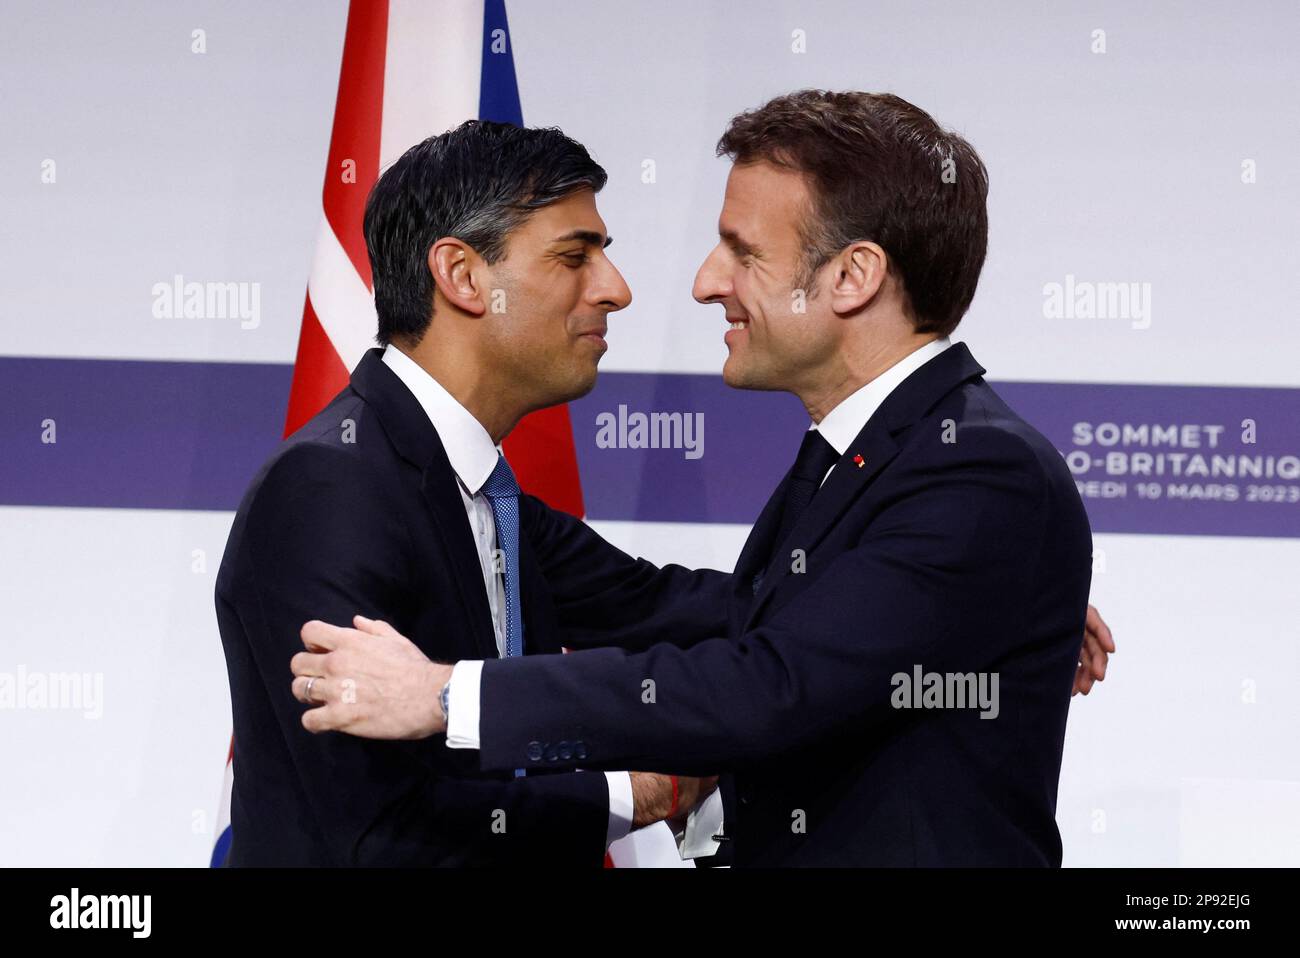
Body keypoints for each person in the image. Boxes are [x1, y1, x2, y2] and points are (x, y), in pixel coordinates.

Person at [291, 91, 1113, 866]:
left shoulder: (979, 471)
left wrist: (447, 698)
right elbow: (702, 614)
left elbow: (767, 684)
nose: (705, 282)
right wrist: (971, 601)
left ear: (853, 277)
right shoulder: (887, 459)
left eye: (744, 252)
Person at [215, 121, 715, 866]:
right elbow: (377, 831)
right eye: (575, 256)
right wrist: (633, 794)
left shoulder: (487, 496)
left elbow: (684, 614)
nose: (616, 290)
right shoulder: (329, 487)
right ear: (462, 276)